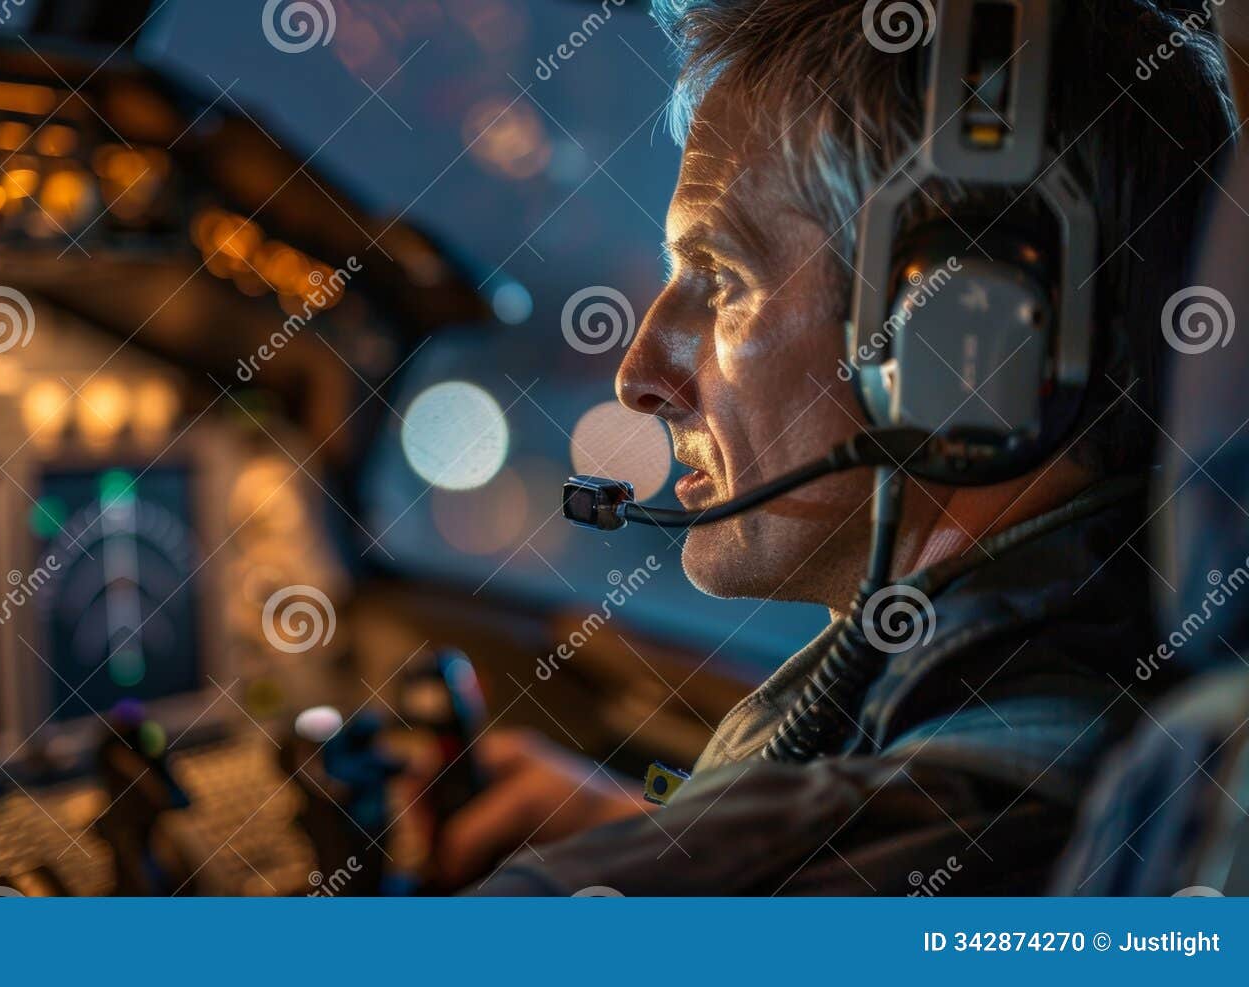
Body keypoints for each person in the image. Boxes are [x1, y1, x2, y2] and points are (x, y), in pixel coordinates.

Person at [441, 0, 1236, 894]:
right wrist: (642, 824)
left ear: (966, 332)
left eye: (723, 280)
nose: (639, 375)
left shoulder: (987, 814)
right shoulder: (1068, 732)